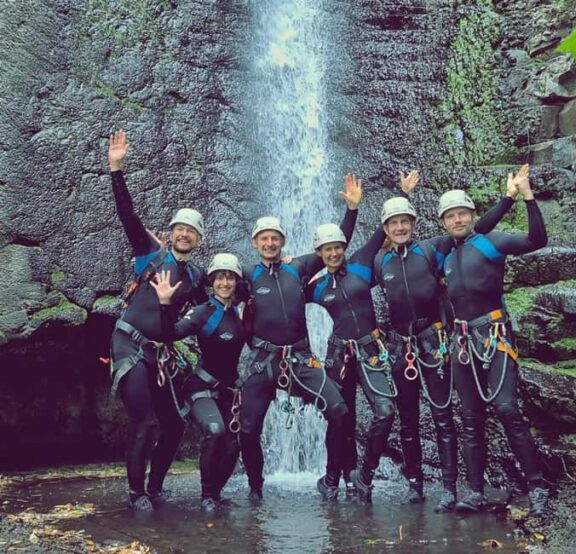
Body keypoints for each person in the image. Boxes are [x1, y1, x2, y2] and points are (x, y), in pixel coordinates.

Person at [374, 170, 519, 512]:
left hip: (434, 339)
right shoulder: (381, 261)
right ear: (385, 228)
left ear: (414, 223)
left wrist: (509, 199)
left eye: (405, 221)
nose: (400, 228)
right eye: (393, 223)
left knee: (442, 415)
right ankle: (414, 485)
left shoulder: (432, 250)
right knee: (407, 418)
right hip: (400, 344)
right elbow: (349, 271)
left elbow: (472, 230)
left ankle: (451, 488)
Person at [236, 175, 361, 502]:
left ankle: (331, 478)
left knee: (339, 410)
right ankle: (255, 486)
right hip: (263, 362)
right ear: (255, 243)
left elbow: (335, 246)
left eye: (274, 238)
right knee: (247, 429)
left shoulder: (299, 267)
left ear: (283, 241)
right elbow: (217, 292)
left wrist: (352, 208)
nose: (269, 243)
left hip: (301, 358)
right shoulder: (248, 276)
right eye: (263, 239)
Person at [438, 164, 552, 515]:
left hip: (494, 334)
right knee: (470, 417)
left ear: (473, 216)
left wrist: (526, 197)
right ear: (443, 222)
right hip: (461, 341)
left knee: (506, 409)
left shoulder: (492, 243)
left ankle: (537, 485)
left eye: (463, 214)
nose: (458, 220)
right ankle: (474, 491)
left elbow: (537, 241)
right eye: (451, 216)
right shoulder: (444, 254)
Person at [107, 131, 207, 511]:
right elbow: (127, 215)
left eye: (191, 230)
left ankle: (156, 487)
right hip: (129, 343)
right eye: (179, 228)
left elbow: (218, 301)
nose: (184, 233)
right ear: (171, 233)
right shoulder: (150, 253)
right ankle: (137, 496)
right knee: (146, 423)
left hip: (159, 353)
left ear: (198, 239)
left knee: (175, 425)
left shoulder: (197, 276)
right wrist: (117, 167)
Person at [305, 174, 396, 504]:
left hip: (370, 349)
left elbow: (381, 232)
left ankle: (363, 474)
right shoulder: (315, 287)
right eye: (327, 249)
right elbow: (284, 300)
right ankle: (332, 477)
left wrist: (353, 208)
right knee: (338, 417)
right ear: (319, 252)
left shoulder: (360, 264)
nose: (333, 253)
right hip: (338, 355)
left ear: (344, 248)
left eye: (337, 247)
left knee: (385, 411)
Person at [151, 253, 246, 512]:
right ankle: (206, 497)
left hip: (229, 391)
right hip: (201, 387)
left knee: (235, 444)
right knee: (215, 431)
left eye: (230, 278)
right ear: (212, 281)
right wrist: (164, 304)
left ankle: (216, 493)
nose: (225, 283)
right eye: (219, 278)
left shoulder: (241, 311)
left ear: (237, 281)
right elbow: (170, 333)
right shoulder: (204, 312)